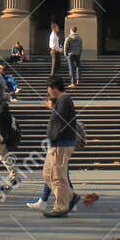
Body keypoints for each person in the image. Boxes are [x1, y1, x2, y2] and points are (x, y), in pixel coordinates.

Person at [40, 76, 81, 217]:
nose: (48, 92)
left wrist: (53, 137)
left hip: (61, 144)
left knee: (58, 176)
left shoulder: (64, 100)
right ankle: (70, 195)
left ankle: (61, 207)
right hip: (57, 144)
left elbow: (60, 123)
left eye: (49, 89)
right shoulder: (63, 100)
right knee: (47, 173)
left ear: (54, 88)